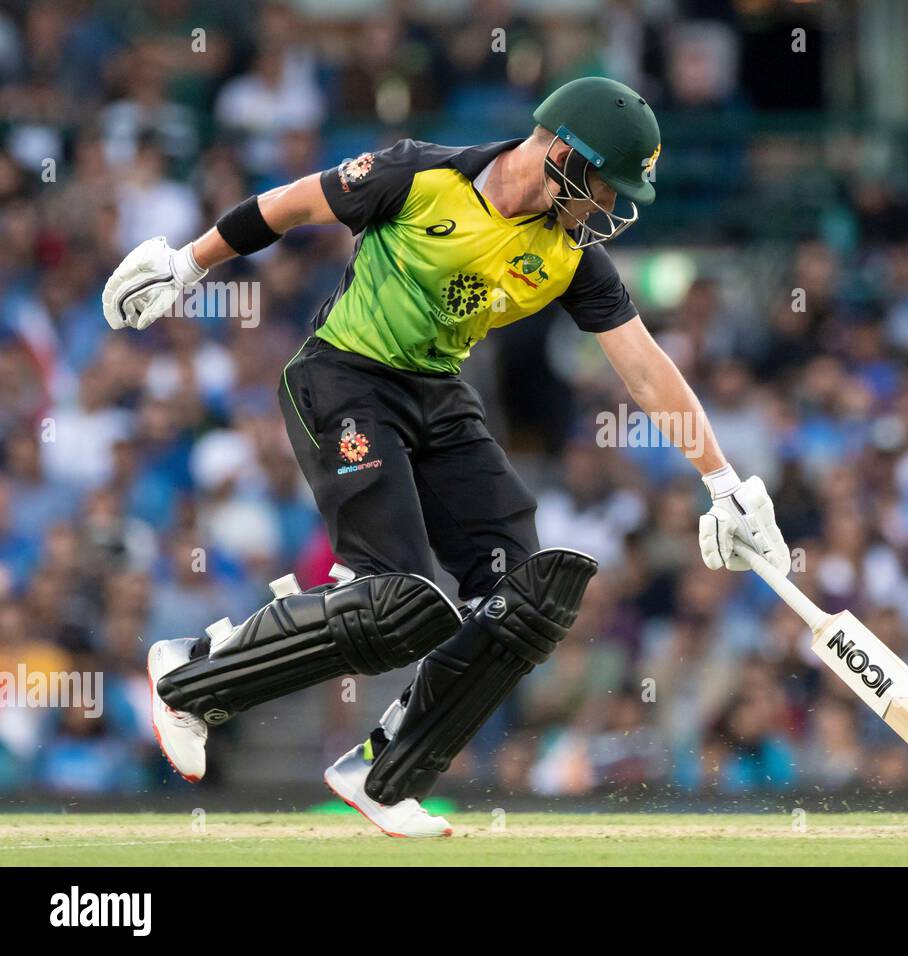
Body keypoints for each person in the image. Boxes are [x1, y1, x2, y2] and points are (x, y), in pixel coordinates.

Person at [100, 77, 790, 837]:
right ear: (562, 152)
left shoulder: (568, 256)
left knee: (525, 596)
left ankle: (385, 768)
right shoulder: (421, 175)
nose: (604, 207)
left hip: (436, 394)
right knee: (394, 599)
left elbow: (647, 368)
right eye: (601, 185)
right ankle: (194, 674)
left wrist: (722, 482)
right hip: (343, 379)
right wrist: (190, 264)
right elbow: (289, 206)